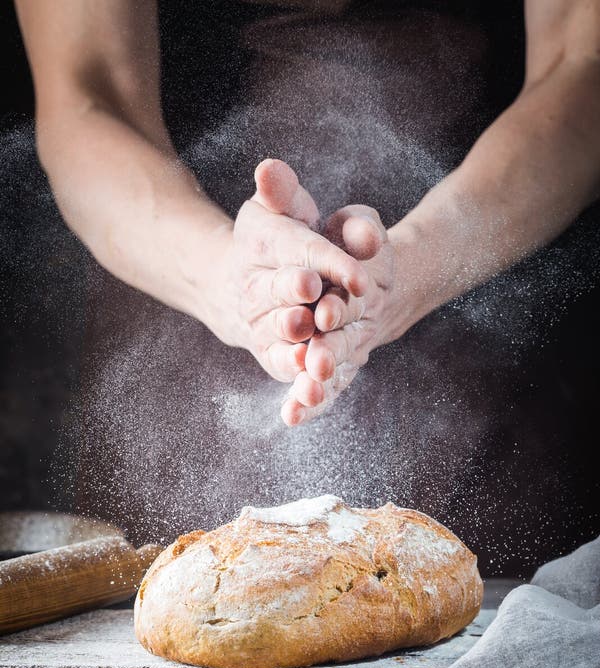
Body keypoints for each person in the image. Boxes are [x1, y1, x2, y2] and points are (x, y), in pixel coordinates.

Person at [15, 0, 600, 430]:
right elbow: (89, 98)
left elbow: (581, 71)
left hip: (495, 330)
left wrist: (408, 267)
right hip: (172, 297)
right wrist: (231, 280)